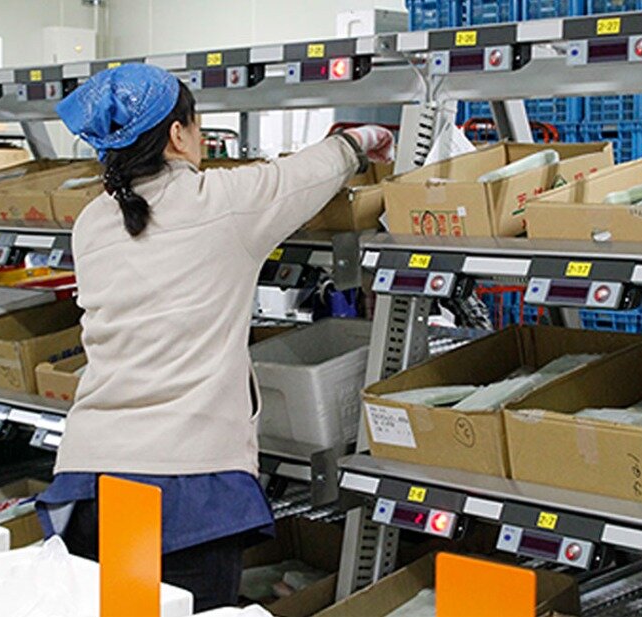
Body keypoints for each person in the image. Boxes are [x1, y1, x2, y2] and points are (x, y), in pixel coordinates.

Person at [35, 63, 393, 612]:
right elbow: (304, 175)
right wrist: (362, 140)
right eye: (197, 125)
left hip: (89, 481)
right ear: (178, 134)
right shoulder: (222, 203)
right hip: (183, 489)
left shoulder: (90, 223)